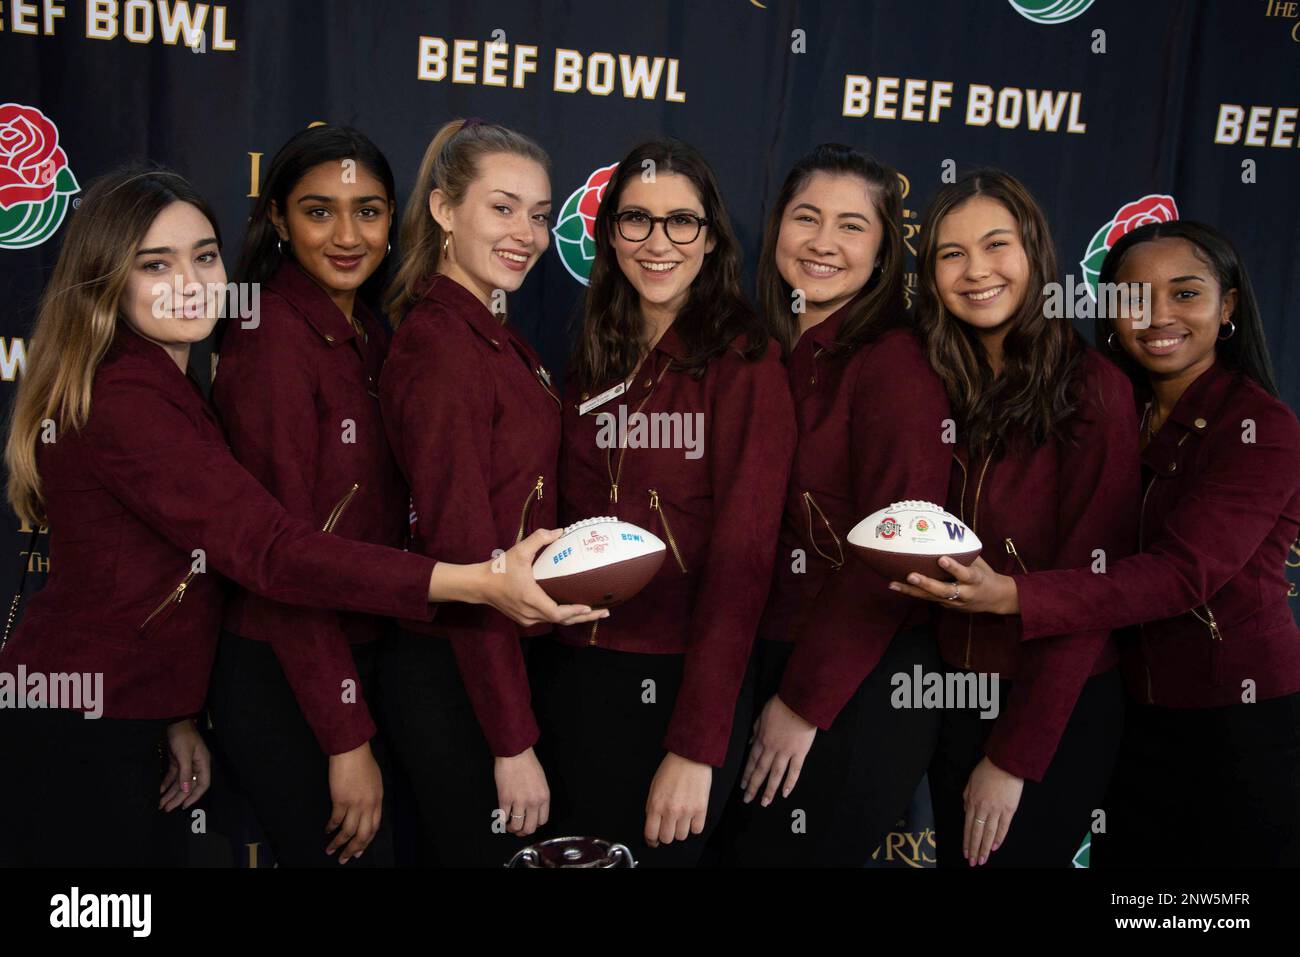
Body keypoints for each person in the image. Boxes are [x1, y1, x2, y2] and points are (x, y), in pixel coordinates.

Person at [0, 164, 600, 868]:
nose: (190, 281)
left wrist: (177, 711)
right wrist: (474, 580)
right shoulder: (128, 398)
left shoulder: (165, 377)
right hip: (77, 731)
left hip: (129, 716)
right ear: (108, 277)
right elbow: (273, 551)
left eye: (203, 255)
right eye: (155, 263)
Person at [892, 220, 1300, 867]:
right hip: (1129, 709)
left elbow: (1181, 574)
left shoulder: (1259, 427)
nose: (1159, 314)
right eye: (1135, 297)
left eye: (1186, 293)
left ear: (1227, 307)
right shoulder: (1108, 398)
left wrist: (1013, 595)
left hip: (1234, 716)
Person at [530, 137, 795, 867]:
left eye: (682, 222)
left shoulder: (747, 361)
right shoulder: (591, 348)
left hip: (676, 679)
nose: (658, 242)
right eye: (636, 220)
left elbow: (743, 563)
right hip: (569, 674)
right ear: (608, 233)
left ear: (711, 240)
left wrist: (696, 746)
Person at [711, 144, 951, 867]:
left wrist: (803, 704)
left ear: (883, 253)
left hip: (856, 682)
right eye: (806, 217)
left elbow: (899, 552)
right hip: (766, 661)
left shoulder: (894, 365)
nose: (822, 242)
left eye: (852, 226)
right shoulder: (765, 349)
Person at [902, 169, 1140, 867]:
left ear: (1035, 252)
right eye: (951, 253)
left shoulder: (1094, 389)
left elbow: (1092, 595)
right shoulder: (938, 376)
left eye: (996, 245)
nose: (976, 270)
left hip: (1052, 708)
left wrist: (1013, 758)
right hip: (952, 694)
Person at [377, 118, 580, 866]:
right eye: (502, 208)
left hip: (500, 662)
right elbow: (465, 549)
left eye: (538, 213)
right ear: (441, 210)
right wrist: (510, 740)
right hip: (456, 674)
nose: (525, 232)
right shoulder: (441, 346)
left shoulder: (488, 330)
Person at [209, 125, 406, 866]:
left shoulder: (372, 330)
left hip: (362, 658)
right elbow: (282, 558)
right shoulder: (268, 340)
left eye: (370, 210)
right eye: (320, 211)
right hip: (289, 673)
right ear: (280, 222)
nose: (349, 234)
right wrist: (346, 734)